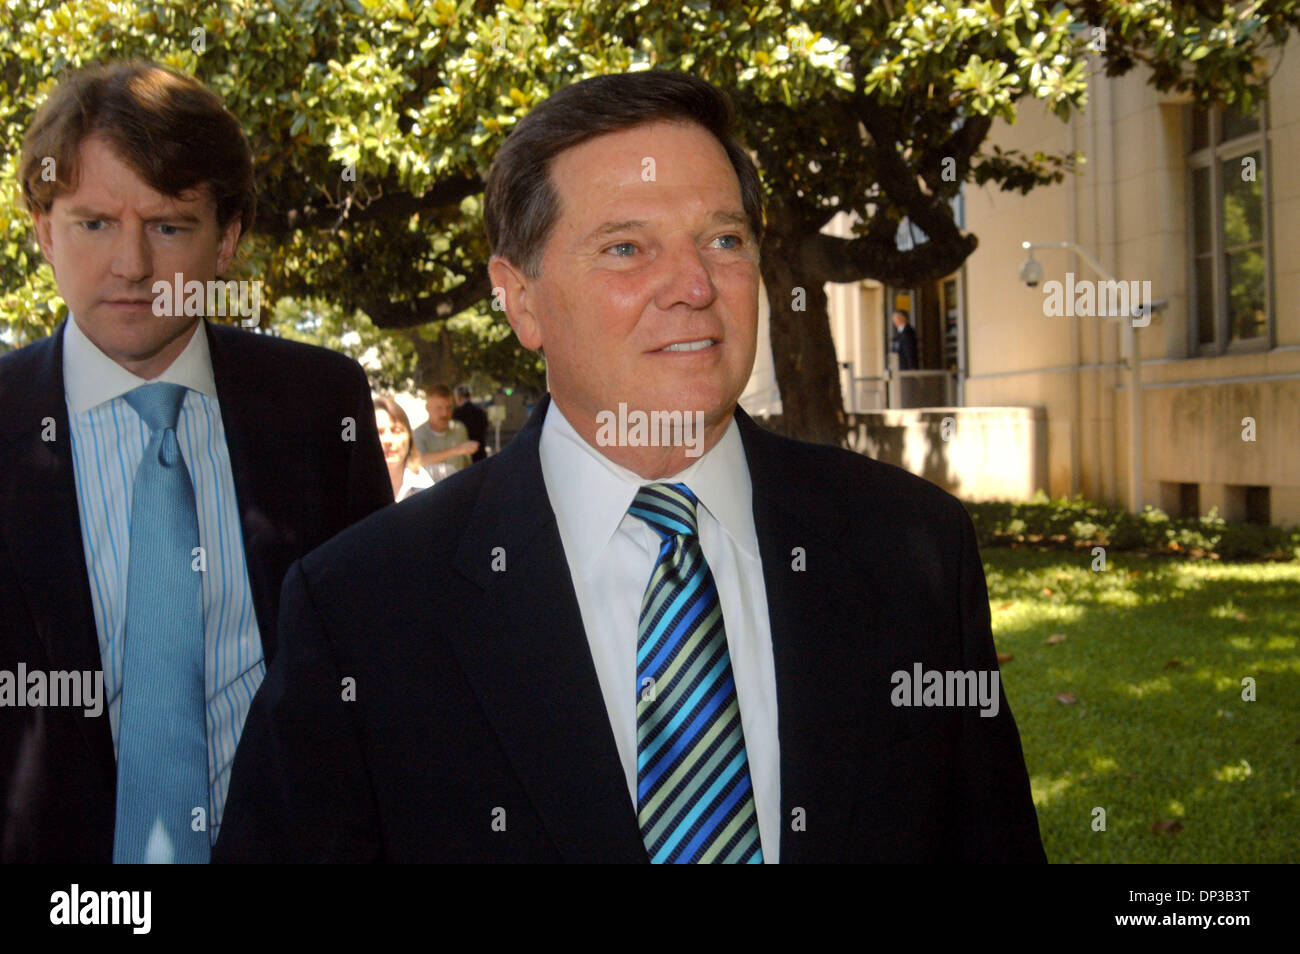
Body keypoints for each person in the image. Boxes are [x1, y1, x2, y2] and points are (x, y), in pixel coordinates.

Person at [216, 71, 1045, 863]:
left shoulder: (912, 547)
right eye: (625, 248)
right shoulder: (364, 606)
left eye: (724, 239)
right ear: (521, 298)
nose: (693, 285)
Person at [0, 60, 392, 864]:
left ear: (229, 241)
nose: (133, 265)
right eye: (93, 223)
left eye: (170, 225)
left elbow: (376, 674)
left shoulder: (321, 408)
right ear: (44, 230)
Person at [374, 394, 435, 501]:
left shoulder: (430, 484)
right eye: (379, 432)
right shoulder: (353, 490)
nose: (388, 440)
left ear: (409, 436)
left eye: (396, 430)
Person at [412, 383, 478, 477]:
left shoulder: (459, 429)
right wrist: (455, 450)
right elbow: (418, 461)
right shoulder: (418, 434)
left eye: (449, 407)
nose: (445, 413)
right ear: (428, 408)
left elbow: (467, 464)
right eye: (439, 408)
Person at [452, 384, 489, 462]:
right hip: (480, 454)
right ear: (470, 396)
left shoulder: (456, 413)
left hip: (462, 455)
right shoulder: (480, 412)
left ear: (458, 397)